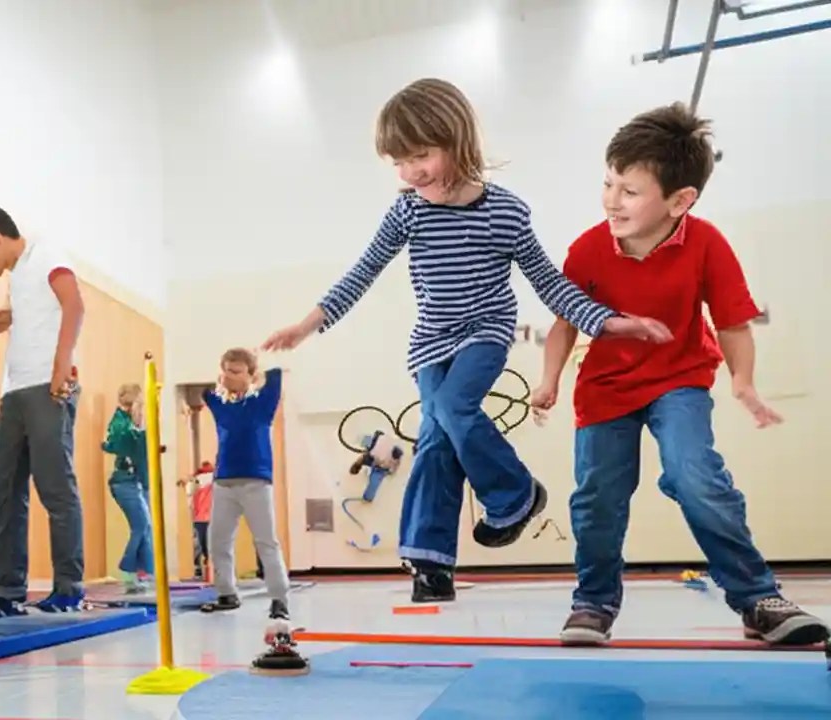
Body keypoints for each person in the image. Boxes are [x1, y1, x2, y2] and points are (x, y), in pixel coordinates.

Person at [262, 78, 674, 604]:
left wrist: (608, 322)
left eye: (420, 156)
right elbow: (363, 271)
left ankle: (514, 494)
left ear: (456, 140)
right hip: (430, 344)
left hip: (484, 332)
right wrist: (307, 324)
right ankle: (431, 563)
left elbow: (549, 283)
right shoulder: (409, 211)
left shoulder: (506, 213)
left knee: (453, 409)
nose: (410, 172)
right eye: (399, 162)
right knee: (436, 437)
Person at [530, 102, 829, 646]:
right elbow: (565, 323)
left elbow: (733, 323)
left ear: (680, 200)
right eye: (608, 184)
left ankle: (757, 598)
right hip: (605, 390)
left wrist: (744, 383)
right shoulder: (589, 249)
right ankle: (593, 602)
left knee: (696, 477)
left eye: (629, 191)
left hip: (679, 380)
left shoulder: (707, 243)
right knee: (598, 496)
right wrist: (549, 380)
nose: (612, 200)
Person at [0, 204, 87, 617]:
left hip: (48, 385)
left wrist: (62, 364)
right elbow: (42, 308)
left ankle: (68, 588)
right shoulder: (19, 275)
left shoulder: (45, 252)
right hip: (14, 390)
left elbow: (74, 305)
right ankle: (9, 591)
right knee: (3, 488)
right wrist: (7, 319)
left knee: (55, 486)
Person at [199, 348, 290, 627]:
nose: (229, 376)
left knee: (266, 541)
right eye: (226, 370)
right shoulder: (219, 404)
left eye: (236, 371)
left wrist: (260, 358)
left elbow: (275, 375)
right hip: (224, 481)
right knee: (218, 541)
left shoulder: (262, 403)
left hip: (256, 481)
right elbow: (204, 392)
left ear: (250, 375)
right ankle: (227, 593)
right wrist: (222, 380)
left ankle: (279, 599)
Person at [102, 383, 155, 593]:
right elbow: (118, 445)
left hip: (136, 480)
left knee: (146, 527)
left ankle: (142, 573)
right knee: (141, 525)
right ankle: (129, 569)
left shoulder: (129, 424)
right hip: (125, 481)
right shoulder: (122, 424)